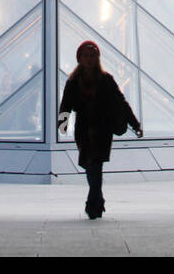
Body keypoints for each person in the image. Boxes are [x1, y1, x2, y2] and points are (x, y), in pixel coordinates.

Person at [59, 40, 142, 219]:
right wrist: (62, 125)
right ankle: (98, 198)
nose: (89, 59)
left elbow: (121, 102)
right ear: (79, 58)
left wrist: (135, 124)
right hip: (84, 129)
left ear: (97, 58)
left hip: (102, 129)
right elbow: (65, 104)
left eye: (92, 56)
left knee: (95, 164)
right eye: (86, 56)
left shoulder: (106, 80)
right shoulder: (73, 82)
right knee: (90, 165)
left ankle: (92, 203)